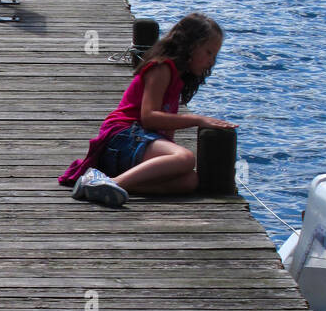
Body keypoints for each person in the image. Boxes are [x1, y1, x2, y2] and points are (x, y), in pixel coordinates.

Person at [58, 12, 235, 207]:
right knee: (185, 158)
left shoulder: (178, 77)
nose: (212, 61)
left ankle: (111, 184)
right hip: (121, 137)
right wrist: (198, 120)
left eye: (215, 55)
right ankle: (110, 183)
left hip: (135, 145)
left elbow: (165, 130)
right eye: (209, 52)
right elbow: (149, 117)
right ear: (190, 45)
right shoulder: (161, 68)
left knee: (190, 181)